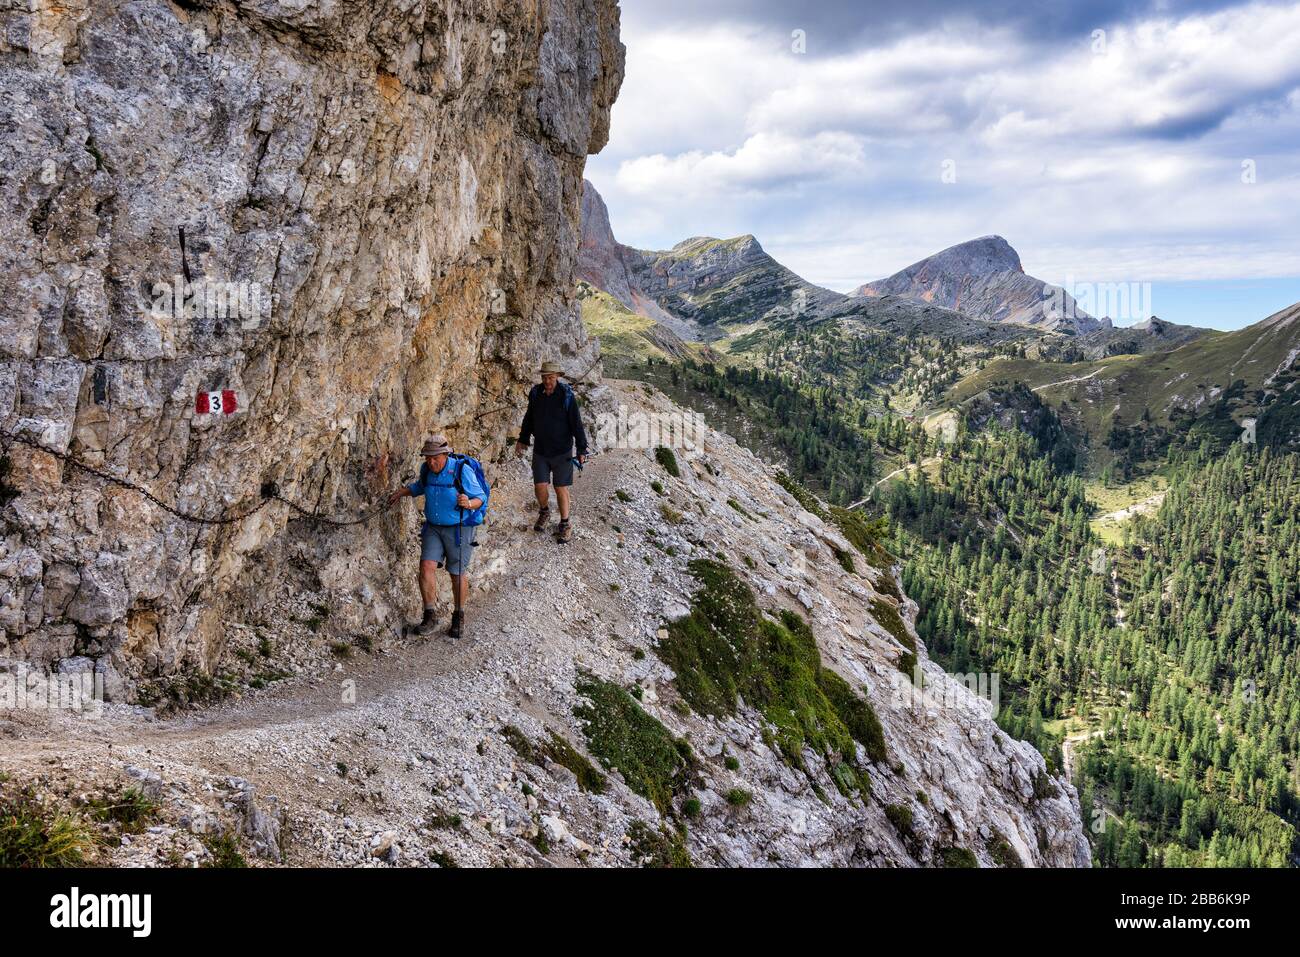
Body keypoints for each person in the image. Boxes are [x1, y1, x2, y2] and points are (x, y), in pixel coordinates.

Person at [388, 434, 486, 639]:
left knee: (456, 573)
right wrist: (401, 493)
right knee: (426, 566)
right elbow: (421, 487)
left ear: (445, 454)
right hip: (433, 527)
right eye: (428, 458)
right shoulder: (427, 470)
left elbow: (481, 497)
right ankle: (429, 616)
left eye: (435, 458)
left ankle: (459, 616)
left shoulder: (461, 470)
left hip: (459, 528)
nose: (431, 462)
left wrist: (468, 503)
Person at [515, 361, 588, 543]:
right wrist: (523, 439)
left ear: (557, 377)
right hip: (541, 449)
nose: (547, 381)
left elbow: (576, 424)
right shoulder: (536, 394)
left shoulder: (566, 395)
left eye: (551, 377)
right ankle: (544, 511)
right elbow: (529, 418)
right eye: (545, 377)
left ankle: (565, 524)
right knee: (540, 485)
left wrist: (581, 448)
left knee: (560, 487)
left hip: (562, 450)